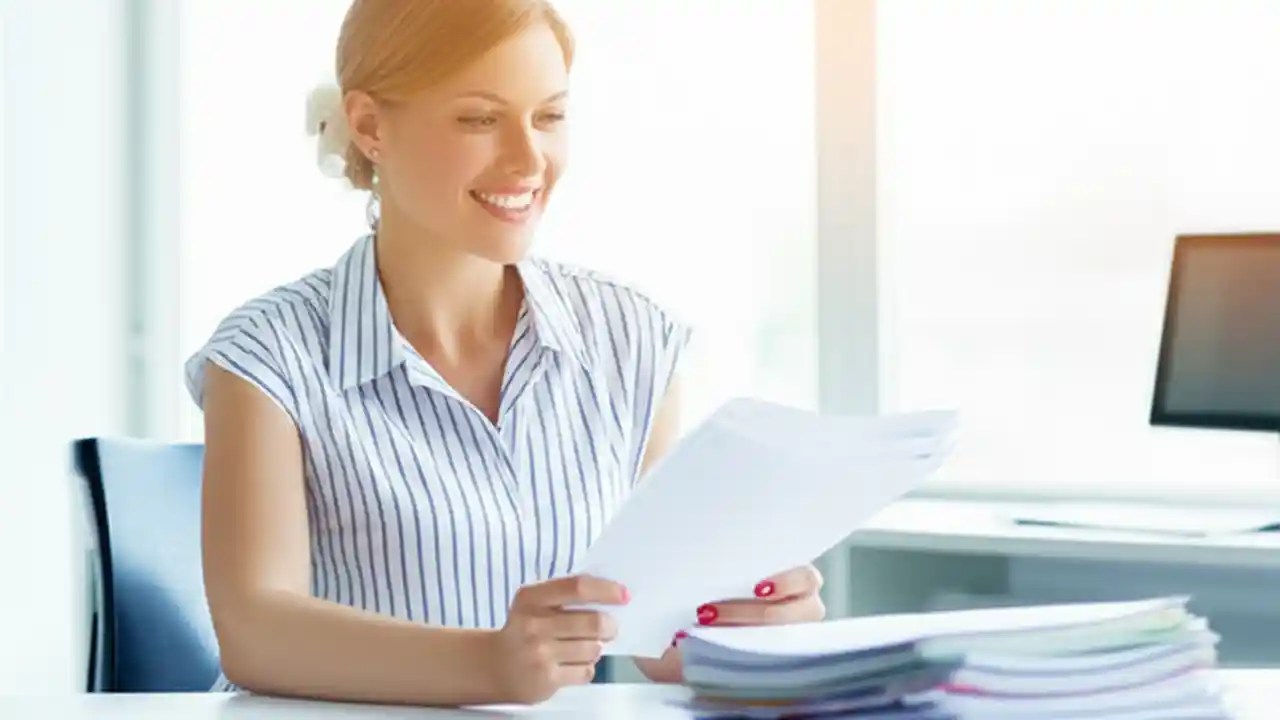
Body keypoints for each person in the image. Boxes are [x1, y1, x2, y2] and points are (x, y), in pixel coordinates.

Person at [185, 0, 825, 707]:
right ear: (369, 126)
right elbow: (256, 631)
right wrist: (486, 664)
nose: (529, 160)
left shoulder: (632, 342)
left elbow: (658, 638)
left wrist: (742, 628)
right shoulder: (268, 356)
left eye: (549, 117)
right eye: (480, 119)